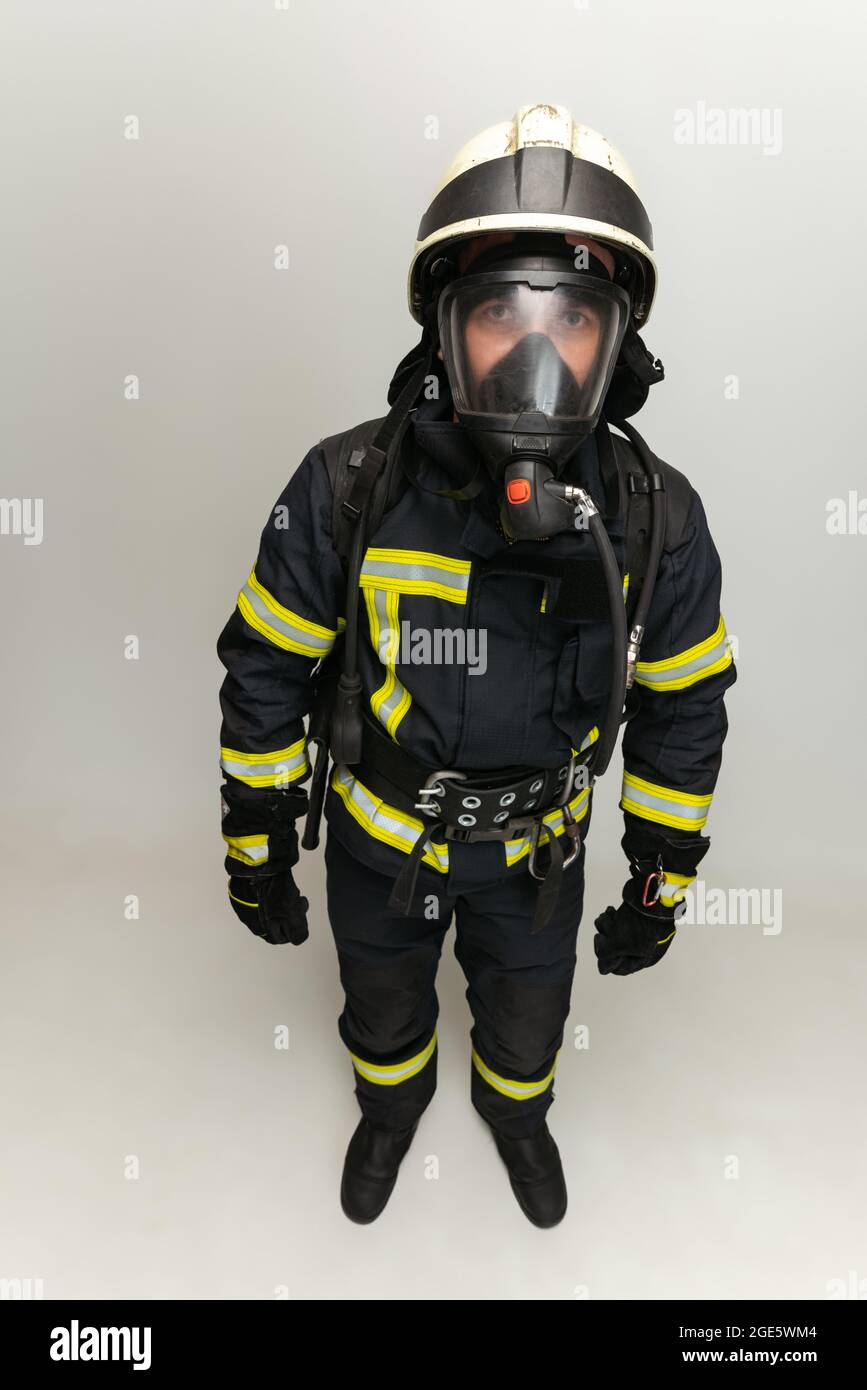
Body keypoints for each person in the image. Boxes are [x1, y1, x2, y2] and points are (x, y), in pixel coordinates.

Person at [216, 103, 737, 1228]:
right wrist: (256, 845)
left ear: (618, 343)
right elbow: (264, 671)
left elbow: (684, 712)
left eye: (573, 318)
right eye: (500, 310)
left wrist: (659, 879)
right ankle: (390, 1108)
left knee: (528, 1007)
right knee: (384, 993)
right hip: (375, 846)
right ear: (443, 332)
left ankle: (516, 1114)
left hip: (538, 861)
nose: (536, 353)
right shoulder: (348, 486)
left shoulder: (656, 520)